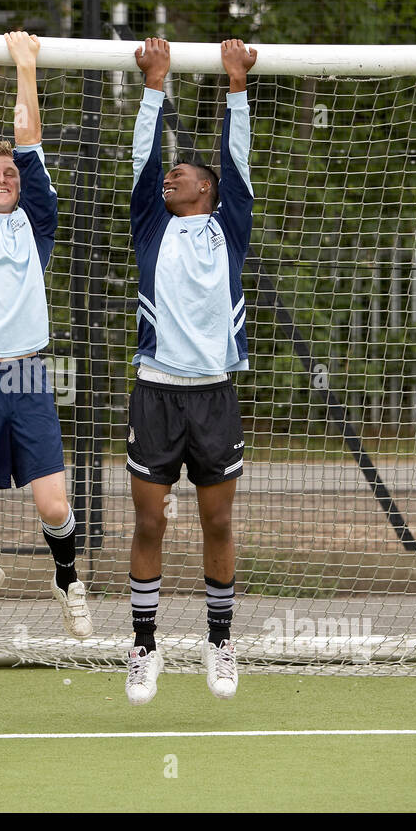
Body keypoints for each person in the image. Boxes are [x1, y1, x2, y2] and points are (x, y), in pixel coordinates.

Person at [0, 29, 92, 642]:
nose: (0, 177)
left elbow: (28, 142)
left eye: (9, 173)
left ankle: (67, 581)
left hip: (27, 376)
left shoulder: (38, 223)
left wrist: (26, 65)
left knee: (54, 507)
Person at [123, 36, 258, 704]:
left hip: (214, 397)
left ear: (207, 188)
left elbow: (238, 163)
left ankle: (220, 640)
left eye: (184, 172)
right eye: (169, 173)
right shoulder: (151, 224)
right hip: (156, 393)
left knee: (218, 525)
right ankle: (144, 646)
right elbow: (145, 163)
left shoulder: (228, 225)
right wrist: (155, 82)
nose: (171, 176)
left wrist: (236, 85)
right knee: (150, 524)